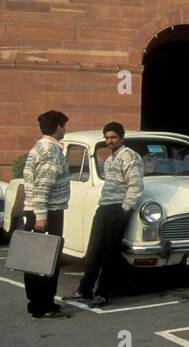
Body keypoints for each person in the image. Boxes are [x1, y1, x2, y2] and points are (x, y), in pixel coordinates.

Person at [67, 122, 143, 308]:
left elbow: (135, 186)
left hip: (118, 209)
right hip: (104, 208)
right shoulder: (109, 160)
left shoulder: (130, 157)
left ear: (121, 138)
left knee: (109, 254)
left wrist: (125, 209)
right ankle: (84, 290)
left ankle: (102, 294)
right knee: (94, 251)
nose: (110, 141)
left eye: (113, 137)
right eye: (107, 138)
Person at [21, 109, 70, 319]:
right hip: (46, 213)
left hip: (38, 211)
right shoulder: (51, 151)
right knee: (46, 261)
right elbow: (42, 187)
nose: (66, 129)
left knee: (36, 260)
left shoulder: (40, 146)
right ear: (58, 127)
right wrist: (41, 217)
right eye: (64, 125)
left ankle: (40, 303)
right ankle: (43, 306)